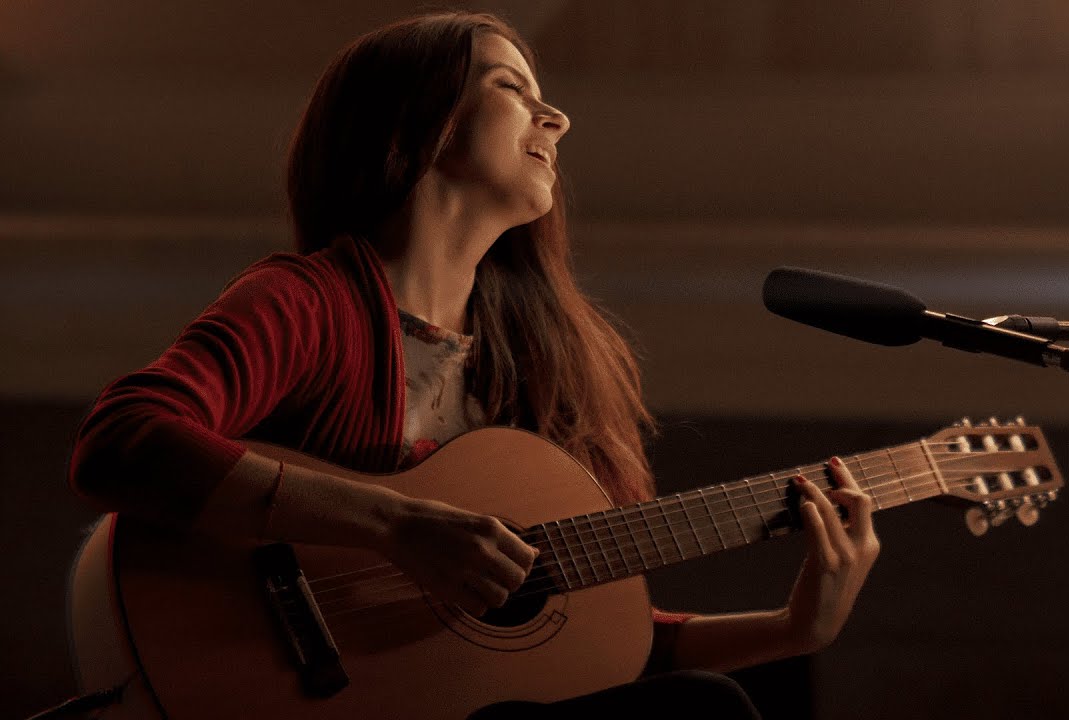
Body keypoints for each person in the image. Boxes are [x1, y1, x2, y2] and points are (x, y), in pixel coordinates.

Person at [68, 9, 880, 719]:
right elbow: (124, 440)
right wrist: (397, 526)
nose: (555, 118)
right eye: (511, 88)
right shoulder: (307, 300)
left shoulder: (544, 367)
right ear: (418, 121)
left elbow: (584, 648)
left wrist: (791, 631)